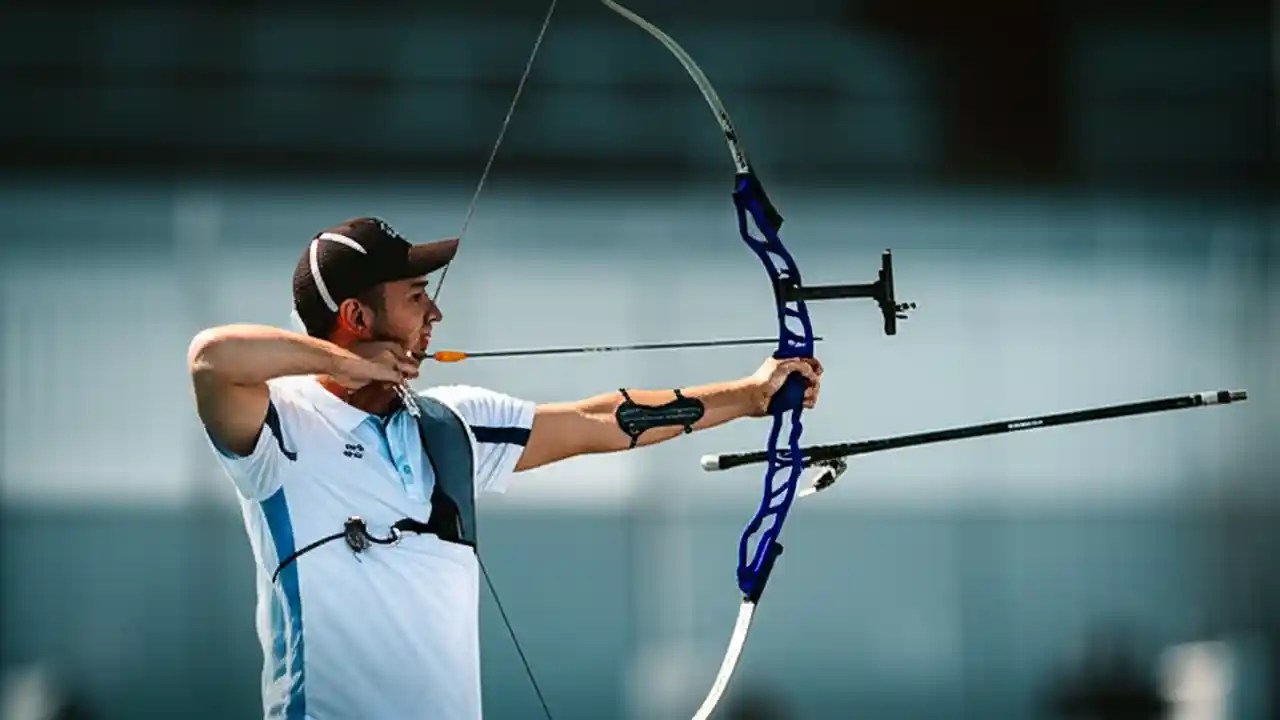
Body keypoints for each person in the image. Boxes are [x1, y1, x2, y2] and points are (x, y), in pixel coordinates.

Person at [186, 216, 823, 720]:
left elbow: (597, 422)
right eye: (415, 299)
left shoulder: (449, 425)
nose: (434, 316)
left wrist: (750, 396)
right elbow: (211, 358)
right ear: (356, 318)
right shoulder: (280, 431)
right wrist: (351, 367)